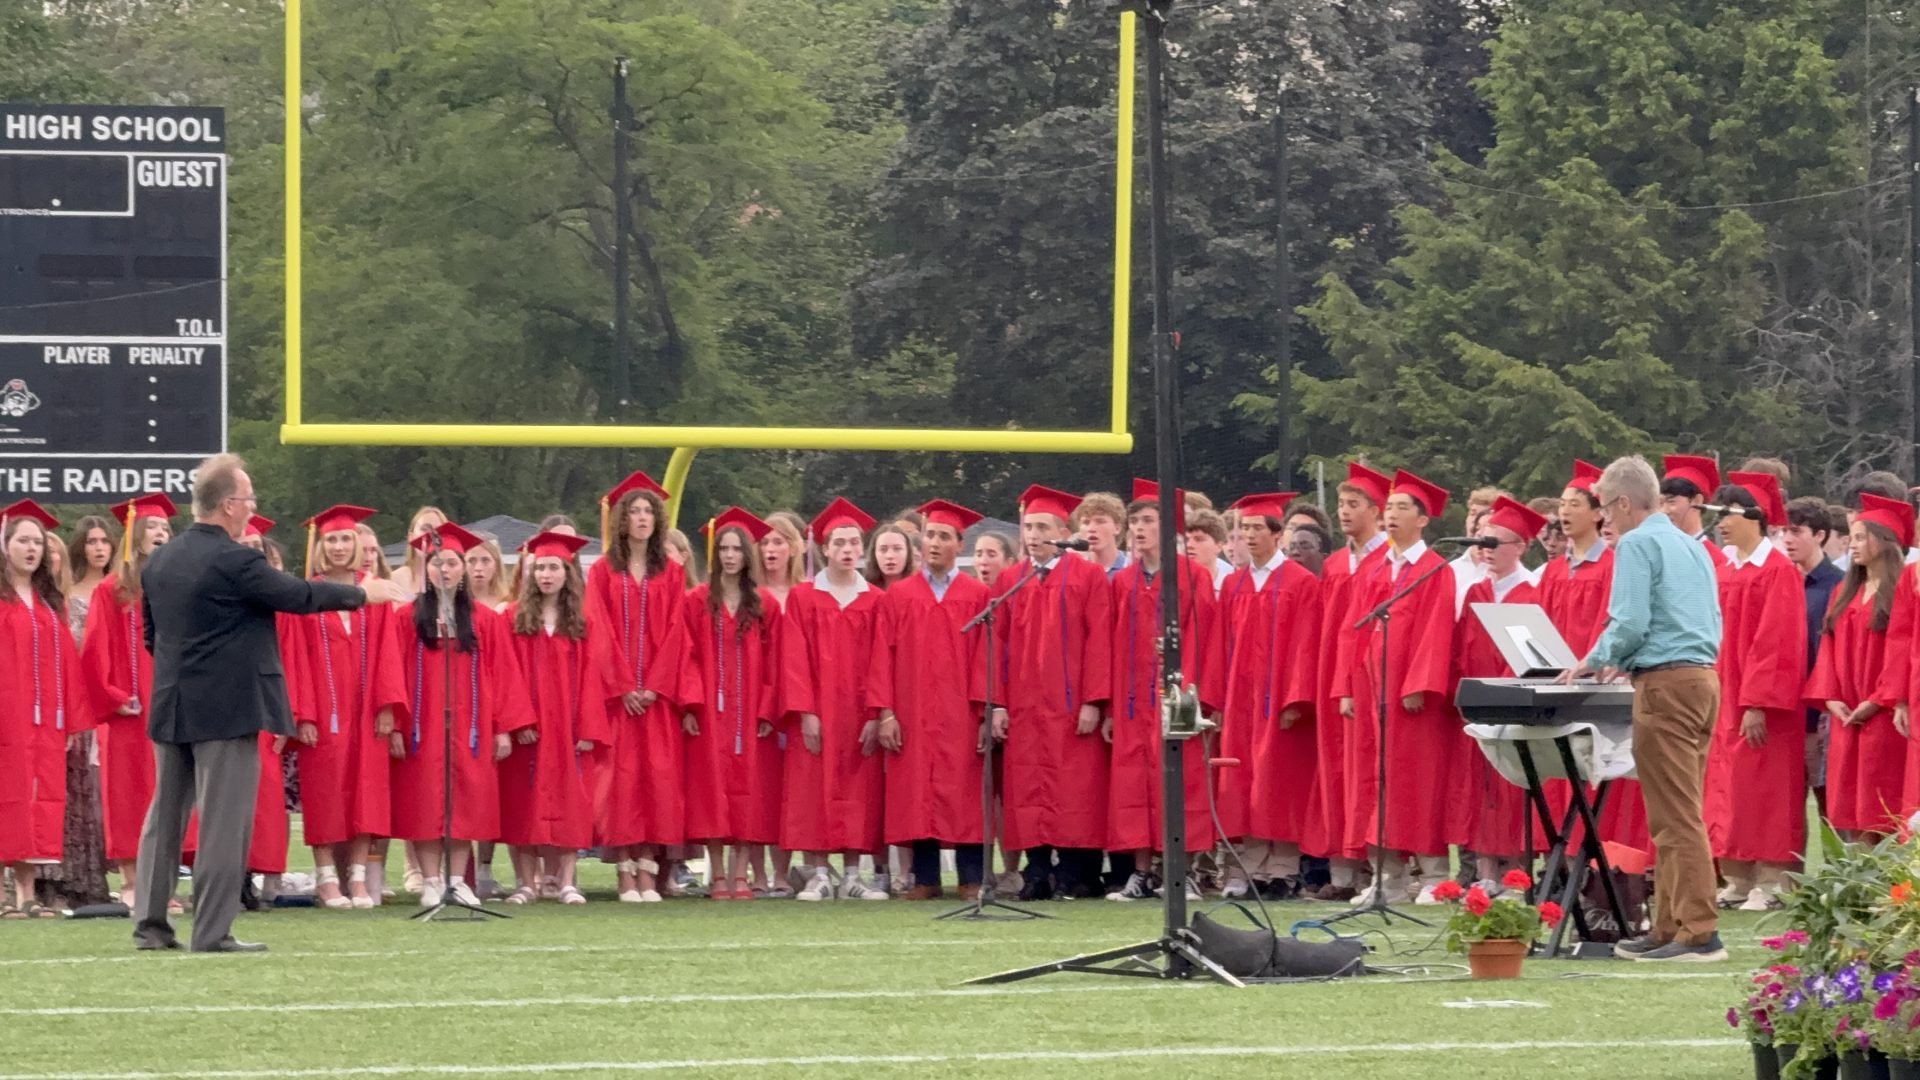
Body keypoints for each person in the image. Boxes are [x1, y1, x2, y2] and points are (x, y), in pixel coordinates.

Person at [133, 455, 384, 953]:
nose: (252, 508)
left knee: (164, 820)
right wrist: (361, 594)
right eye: (249, 499)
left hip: (173, 702)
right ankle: (212, 931)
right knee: (224, 822)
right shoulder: (235, 559)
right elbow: (297, 595)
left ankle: (150, 926)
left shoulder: (161, 560)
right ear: (229, 505)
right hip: (228, 708)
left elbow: (150, 636)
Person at [1566, 455, 1725, 963]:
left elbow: (1631, 619)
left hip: (1665, 684)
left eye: (1606, 511)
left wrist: (1594, 660)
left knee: (1675, 817)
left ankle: (1698, 930)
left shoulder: (1637, 543)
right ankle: (1668, 926)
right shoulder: (1691, 544)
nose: (1605, 522)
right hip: (1701, 678)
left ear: (1624, 503)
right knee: (1678, 812)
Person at [388, 521, 534, 910]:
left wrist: (504, 729)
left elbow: (505, 676)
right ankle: (432, 880)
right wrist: (397, 724)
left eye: (453, 562)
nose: (445, 569)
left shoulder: (485, 620)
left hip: (472, 727)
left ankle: (457, 880)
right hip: (423, 727)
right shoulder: (407, 618)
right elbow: (393, 674)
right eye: (437, 563)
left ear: (463, 568)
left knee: (467, 803)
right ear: (427, 569)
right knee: (424, 802)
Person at [1347, 470, 1464, 905]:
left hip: (1412, 700)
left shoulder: (1434, 570)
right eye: (1390, 507)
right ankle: (1387, 877)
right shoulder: (1377, 568)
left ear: (1423, 519)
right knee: (1376, 782)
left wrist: (1419, 684)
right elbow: (1353, 631)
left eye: (1401, 508)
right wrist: (1348, 687)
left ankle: (1434, 874)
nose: (1392, 515)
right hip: (1374, 692)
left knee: (1418, 782)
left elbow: (1436, 633)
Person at [1103, 482, 1221, 902]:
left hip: (1179, 695)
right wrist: (1113, 708)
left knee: (1182, 779)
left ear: (1167, 526)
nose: (1138, 529)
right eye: (1133, 522)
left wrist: (1196, 700)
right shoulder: (1124, 582)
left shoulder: (1194, 577)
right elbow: (1115, 645)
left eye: (1147, 521)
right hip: (1134, 697)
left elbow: (1206, 638)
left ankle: (1184, 872)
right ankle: (1140, 872)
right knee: (1134, 782)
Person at [870, 499, 992, 900]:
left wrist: (987, 711)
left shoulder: (977, 595)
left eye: (944, 536)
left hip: (962, 710)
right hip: (912, 709)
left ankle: (971, 877)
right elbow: (881, 656)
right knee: (918, 789)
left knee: (966, 792)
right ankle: (925, 879)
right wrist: (885, 712)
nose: (934, 543)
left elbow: (986, 659)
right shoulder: (900, 596)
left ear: (960, 544)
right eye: (929, 536)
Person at [996, 485, 1112, 901]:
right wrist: (997, 704)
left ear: (1063, 531)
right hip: (1026, 707)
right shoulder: (1012, 580)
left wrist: (1093, 700)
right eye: (1028, 527)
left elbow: (1100, 641)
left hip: (1070, 704)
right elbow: (998, 647)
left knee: (1076, 788)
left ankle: (1078, 873)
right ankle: (1038, 870)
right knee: (1028, 787)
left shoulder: (1089, 577)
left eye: (1042, 527)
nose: (1033, 535)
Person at [1700, 473, 1805, 913]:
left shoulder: (1777, 570)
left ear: (1756, 518)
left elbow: (1776, 642)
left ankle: (1773, 878)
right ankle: (1739, 876)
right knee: (1730, 787)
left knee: (1766, 788)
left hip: (1762, 703)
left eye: (1729, 514)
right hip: (1725, 693)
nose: (1721, 523)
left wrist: (1757, 702)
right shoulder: (1726, 569)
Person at [586, 471, 693, 902]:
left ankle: (649, 869)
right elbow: (599, 628)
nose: (642, 517)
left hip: (656, 698)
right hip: (618, 698)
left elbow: (676, 631)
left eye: (649, 511)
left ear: (658, 520)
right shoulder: (601, 570)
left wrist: (655, 685)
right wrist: (623, 684)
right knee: (620, 782)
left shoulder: (670, 570)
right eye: (634, 511)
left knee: (657, 781)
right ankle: (625, 872)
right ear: (622, 520)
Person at [776, 498, 888, 901]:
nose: (846, 549)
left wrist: (878, 711)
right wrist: (804, 711)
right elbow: (794, 659)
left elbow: (881, 660)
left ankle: (855, 875)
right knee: (813, 789)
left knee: (861, 788)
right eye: (838, 542)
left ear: (862, 548)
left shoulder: (875, 599)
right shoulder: (805, 598)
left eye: (854, 542)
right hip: (818, 709)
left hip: (860, 710)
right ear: (824, 548)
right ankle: (820, 872)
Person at [294, 505, 404, 909]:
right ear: (321, 547)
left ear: (357, 545)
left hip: (366, 709)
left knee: (366, 792)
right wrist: (303, 713)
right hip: (322, 710)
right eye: (332, 540)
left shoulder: (374, 592)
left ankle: (357, 879)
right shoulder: (306, 594)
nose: (339, 546)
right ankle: (326, 880)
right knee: (324, 793)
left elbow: (389, 653)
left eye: (345, 539)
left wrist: (388, 706)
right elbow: (296, 659)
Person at [1215, 491, 1321, 899]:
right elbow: (1220, 646)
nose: (1249, 536)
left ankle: (1283, 869)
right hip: (1241, 701)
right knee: (1242, 783)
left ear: (1277, 535)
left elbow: (1306, 645)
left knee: (1281, 783)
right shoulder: (1234, 583)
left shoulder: (1301, 583)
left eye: (1258, 528)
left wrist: (1296, 699)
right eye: (1243, 529)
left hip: (1280, 702)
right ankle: (1250, 868)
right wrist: (1219, 699)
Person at [81, 492, 179, 909]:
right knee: (127, 792)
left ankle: (163, 883)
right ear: (135, 534)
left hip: (171, 704)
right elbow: (94, 649)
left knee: (169, 790)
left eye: (166, 529)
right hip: (128, 709)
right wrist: (113, 696)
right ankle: (131, 879)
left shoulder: (177, 585)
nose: (160, 533)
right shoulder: (112, 589)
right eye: (153, 527)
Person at [682, 511, 782, 900]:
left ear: (748, 554)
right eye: (723, 549)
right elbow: (685, 655)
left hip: (750, 710)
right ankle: (718, 873)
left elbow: (776, 661)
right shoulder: (696, 602)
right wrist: (691, 705)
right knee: (713, 790)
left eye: (736, 549)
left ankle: (742, 873)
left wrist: (768, 710)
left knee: (749, 791)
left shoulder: (765, 604)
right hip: (711, 710)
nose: (729, 556)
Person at [1450, 496, 1548, 886]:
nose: (1486, 551)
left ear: (1521, 547)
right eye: (1483, 542)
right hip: (1480, 705)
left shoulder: (1534, 590)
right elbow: (1462, 649)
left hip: (1514, 704)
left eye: (1496, 543)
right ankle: (1486, 872)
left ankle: (1518, 873)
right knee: (1480, 789)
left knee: (1514, 789)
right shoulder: (1476, 592)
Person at [1307, 462, 1391, 902]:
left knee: (1372, 773)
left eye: (1353, 504)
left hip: (1371, 679)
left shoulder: (1389, 562)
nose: (1343, 512)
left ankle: (1379, 871)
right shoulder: (1338, 563)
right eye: (1340, 504)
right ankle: (1343, 873)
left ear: (1376, 511)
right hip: (1335, 676)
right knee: (1337, 774)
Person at [502, 530, 601, 906]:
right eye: (540, 567)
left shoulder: (581, 622)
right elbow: (507, 673)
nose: (546, 574)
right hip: (530, 728)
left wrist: (588, 727)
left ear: (567, 572)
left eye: (553, 567)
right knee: (523, 800)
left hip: (568, 726)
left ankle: (567, 881)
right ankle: (526, 882)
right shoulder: (513, 618)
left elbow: (593, 676)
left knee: (571, 800)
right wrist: (518, 721)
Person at [0, 501, 88, 919]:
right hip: (7, 715)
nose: (32, 549)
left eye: (37, 542)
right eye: (23, 541)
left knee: (39, 800)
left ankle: (27, 893)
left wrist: (70, 718)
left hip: (44, 721)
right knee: (6, 796)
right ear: (6, 545)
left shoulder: (50, 603)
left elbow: (67, 664)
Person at [1808, 493, 1909, 840]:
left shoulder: (1904, 592)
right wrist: (1830, 697)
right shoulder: (1845, 592)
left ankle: (1889, 887)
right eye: (1852, 536)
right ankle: (1860, 882)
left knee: (1882, 804)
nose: (1852, 544)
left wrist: (1879, 699)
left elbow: (1905, 652)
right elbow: (1828, 647)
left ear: (1885, 539)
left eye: (1862, 536)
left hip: (1882, 717)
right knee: (1849, 803)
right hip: (1846, 715)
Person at [47, 515, 111, 910]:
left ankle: (88, 877)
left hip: (99, 702)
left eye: (105, 540)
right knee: (68, 792)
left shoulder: (121, 590)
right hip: (68, 700)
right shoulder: (66, 595)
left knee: (92, 794)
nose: (99, 548)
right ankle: (54, 877)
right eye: (91, 541)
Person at [1780, 496, 1842, 817]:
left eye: (1796, 531)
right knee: (1784, 811)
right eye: (1783, 532)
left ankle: (1840, 869)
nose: (1787, 539)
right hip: (1783, 714)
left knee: (1829, 806)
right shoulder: (1781, 580)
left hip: (1818, 714)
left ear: (1820, 536)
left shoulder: (1838, 586)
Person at [1660, 455, 1731, 568]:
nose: (1664, 511)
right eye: (1661, 503)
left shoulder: (1716, 562)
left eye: (1671, 502)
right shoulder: (1657, 554)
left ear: (1697, 501)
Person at [1450, 487, 1504, 614]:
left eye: (1483, 515)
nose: (1474, 522)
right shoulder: (1451, 569)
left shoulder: (1504, 570)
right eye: (1473, 513)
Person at [389, 506, 448, 600]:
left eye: (437, 530)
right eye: (424, 529)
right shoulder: (394, 580)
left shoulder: (451, 577)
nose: (430, 535)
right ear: (411, 537)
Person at [1074, 491, 1129, 576]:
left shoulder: (1132, 567)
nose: (1091, 528)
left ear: (1117, 528)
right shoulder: (1074, 571)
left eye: (1100, 521)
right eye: (1086, 522)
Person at [1184, 509, 1233, 590]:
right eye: (1186, 540)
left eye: (1198, 539)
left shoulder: (1233, 586)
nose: (1189, 545)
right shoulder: (1172, 586)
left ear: (1219, 546)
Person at [465, 533, 512, 613]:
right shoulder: (457, 603)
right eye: (472, 561)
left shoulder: (509, 603)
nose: (478, 568)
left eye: (485, 560)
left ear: (496, 565)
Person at [864, 523, 918, 589]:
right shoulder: (864, 590)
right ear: (874, 554)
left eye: (897, 548)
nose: (890, 556)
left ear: (908, 552)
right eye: (883, 549)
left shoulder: (921, 591)